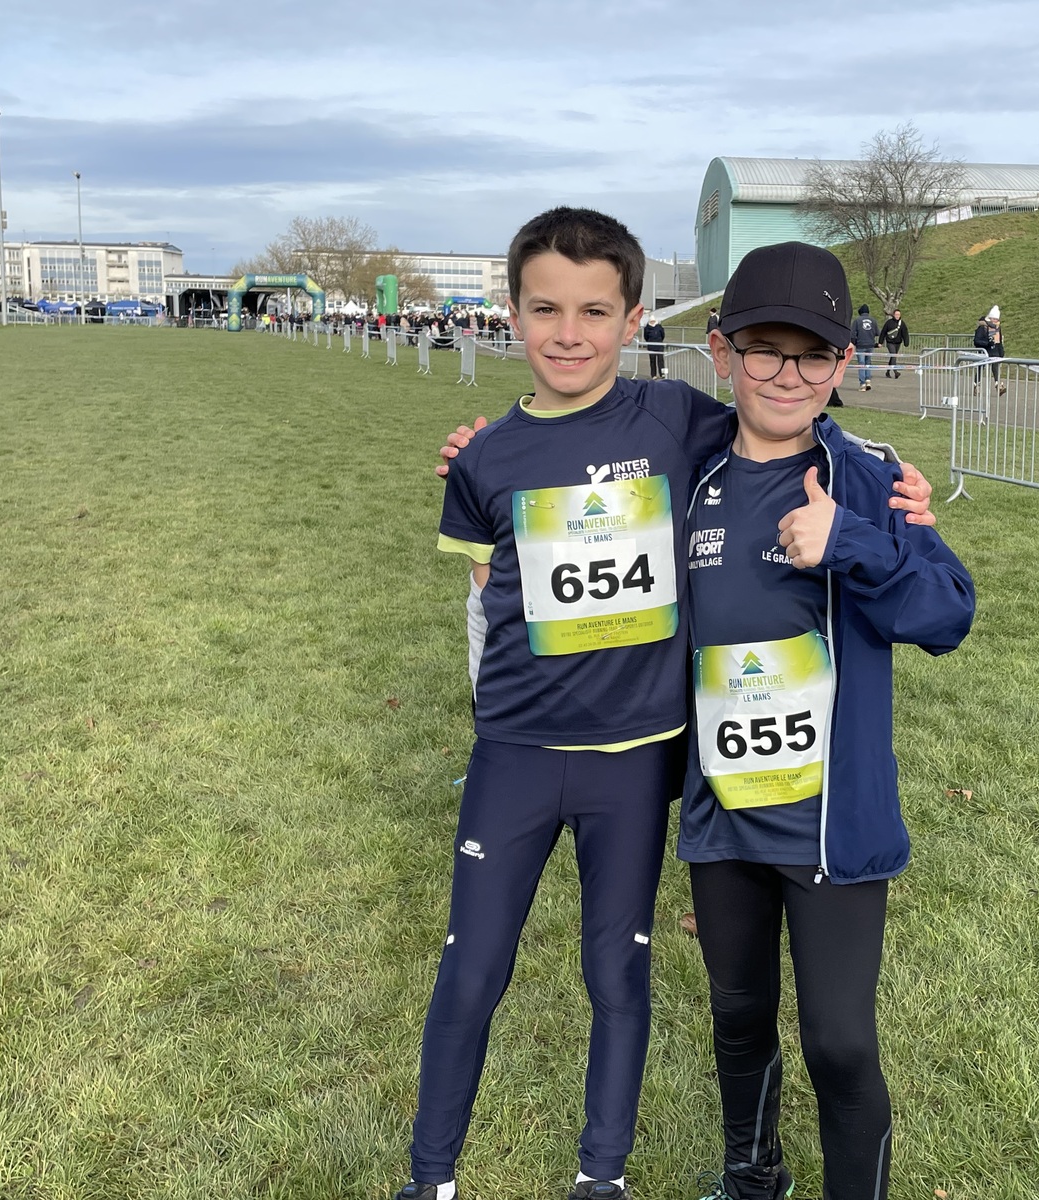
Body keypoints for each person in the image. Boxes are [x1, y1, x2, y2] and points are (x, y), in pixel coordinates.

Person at [413, 212, 936, 1200]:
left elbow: (804, 434)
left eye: (595, 312)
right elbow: (520, 542)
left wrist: (886, 507)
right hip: (618, 779)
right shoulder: (583, 453)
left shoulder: (766, 449)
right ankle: (734, 1178)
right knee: (688, 1005)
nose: (569, 333)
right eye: (547, 310)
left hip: (735, 790)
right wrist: (479, 457)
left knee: (747, 1011)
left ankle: (698, 1183)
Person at [685, 241, 975, 1200]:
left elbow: (944, 618)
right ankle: (751, 1179)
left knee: (840, 1041)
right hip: (725, 817)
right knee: (738, 1019)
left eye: (813, 356)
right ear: (724, 353)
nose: (787, 376)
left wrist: (847, 543)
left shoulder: (872, 477)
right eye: (765, 350)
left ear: (844, 365)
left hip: (832, 826)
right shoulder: (688, 480)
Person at [851, 304, 879, 391]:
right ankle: (868, 380)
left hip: (860, 345)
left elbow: (852, 334)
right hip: (870, 345)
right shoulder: (873, 320)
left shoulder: (857, 320)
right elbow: (877, 332)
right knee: (868, 363)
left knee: (861, 364)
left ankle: (862, 383)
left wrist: (854, 342)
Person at [879, 308, 909, 378]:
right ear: (893, 315)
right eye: (896, 314)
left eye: (898, 314)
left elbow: (905, 333)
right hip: (890, 342)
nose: (897, 316)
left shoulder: (902, 323)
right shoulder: (889, 322)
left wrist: (906, 342)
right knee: (894, 355)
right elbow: (883, 332)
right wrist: (880, 342)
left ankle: (888, 372)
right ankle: (896, 371)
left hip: (898, 343)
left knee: (893, 357)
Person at [642, 313, 667, 378]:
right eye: (651, 321)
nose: (652, 322)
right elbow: (646, 337)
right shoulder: (647, 328)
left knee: (660, 360)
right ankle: (653, 375)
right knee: (652, 361)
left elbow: (662, 335)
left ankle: (662, 374)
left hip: (659, 346)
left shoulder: (659, 327)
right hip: (651, 346)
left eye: (653, 321)